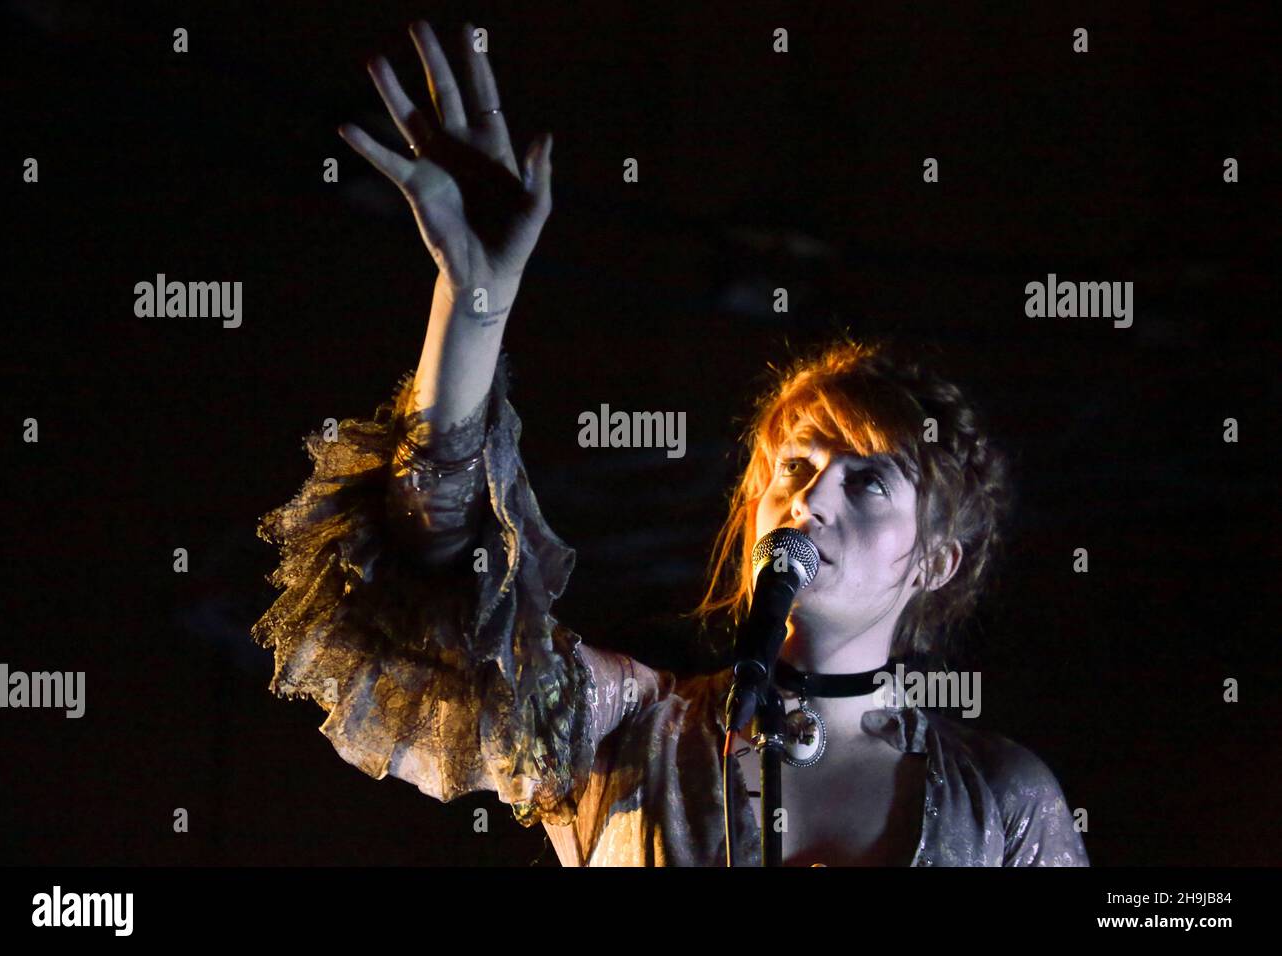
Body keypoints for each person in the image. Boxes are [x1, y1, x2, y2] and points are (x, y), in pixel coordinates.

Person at [252, 20, 1088, 867]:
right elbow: (437, 578)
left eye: (867, 481)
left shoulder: (1003, 802)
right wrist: (474, 305)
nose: (811, 497)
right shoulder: (629, 728)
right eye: (794, 467)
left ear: (935, 561)